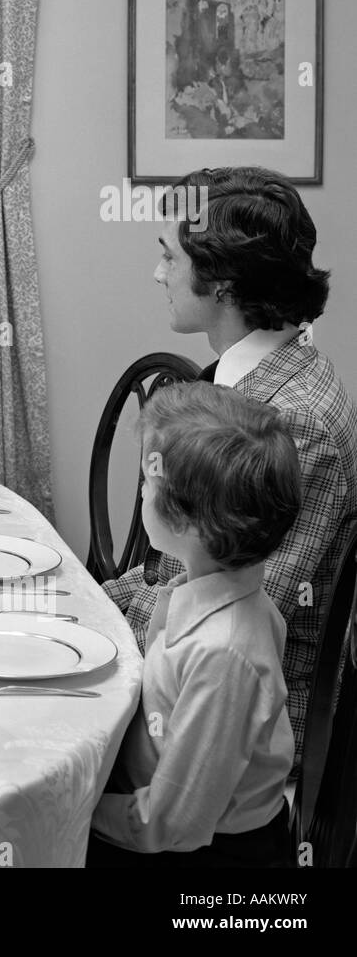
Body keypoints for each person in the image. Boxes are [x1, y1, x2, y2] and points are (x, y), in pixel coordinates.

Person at [103, 167, 357, 750]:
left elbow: (232, 613)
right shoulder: (246, 373)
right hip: (183, 667)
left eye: (169, 258)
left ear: (221, 282)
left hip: (236, 726)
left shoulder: (295, 422)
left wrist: (88, 611)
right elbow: (172, 581)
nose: (157, 274)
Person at [89, 382, 298, 867]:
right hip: (161, 811)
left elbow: (175, 821)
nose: (142, 488)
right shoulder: (209, 589)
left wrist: (78, 806)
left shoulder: (223, 653)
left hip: (205, 853)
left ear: (190, 524)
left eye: (149, 481)